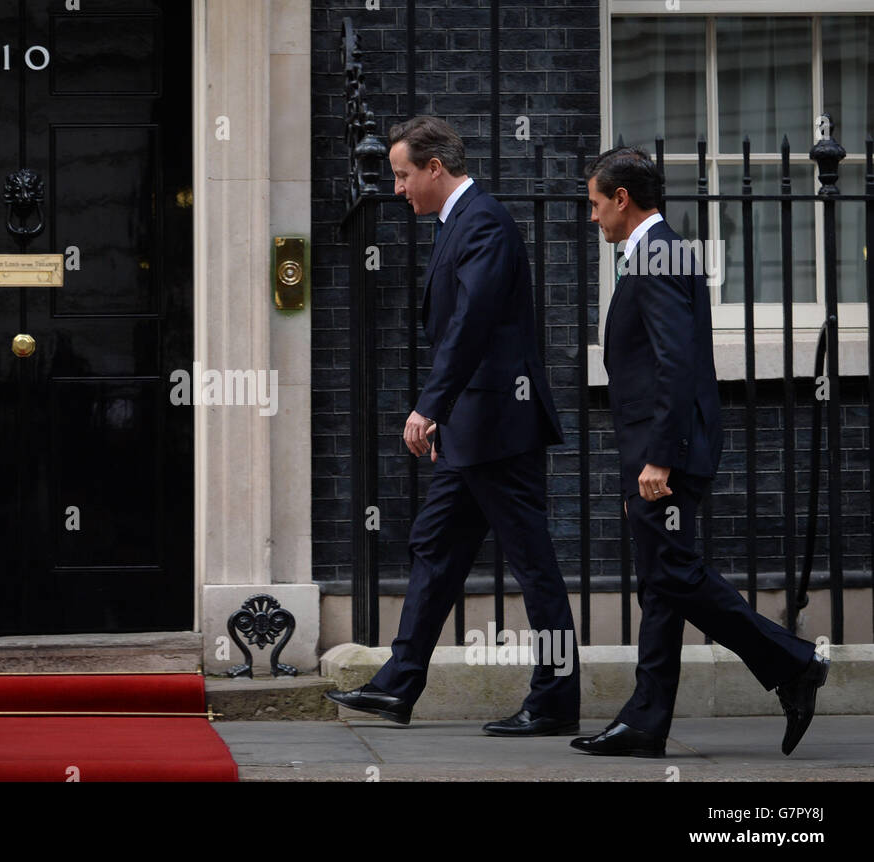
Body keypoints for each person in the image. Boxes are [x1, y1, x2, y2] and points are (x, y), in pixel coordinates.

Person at [325, 116, 580, 735]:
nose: (397, 188)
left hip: (498, 425)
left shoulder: (483, 221)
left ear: (435, 168)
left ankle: (553, 700)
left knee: (532, 564)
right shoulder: (455, 224)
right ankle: (399, 682)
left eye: (404, 174)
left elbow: (472, 323)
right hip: (472, 426)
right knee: (436, 548)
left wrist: (430, 406)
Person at [573, 146, 829, 758]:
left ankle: (793, 662)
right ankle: (646, 719)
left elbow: (675, 362)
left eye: (595, 204)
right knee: (661, 585)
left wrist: (658, 457)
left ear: (622, 200)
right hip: (668, 446)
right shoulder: (661, 250)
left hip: (666, 452)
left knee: (672, 574)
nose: (593, 218)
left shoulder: (657, 253)